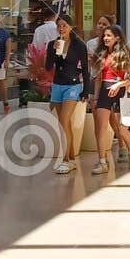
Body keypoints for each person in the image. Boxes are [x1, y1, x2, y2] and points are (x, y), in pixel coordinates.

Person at [45, 15, 93, 175]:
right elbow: (48, 67)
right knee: (64, 124)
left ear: (71, 27)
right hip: (57, 85)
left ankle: (65, 160)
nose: (61, 28)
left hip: (73, 86)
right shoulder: (53, 44)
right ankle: (71, 159)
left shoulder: (79, 45)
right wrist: (53, 51)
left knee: (64, 121)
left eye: (64, 25)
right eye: (59, 26)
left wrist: (86, 90)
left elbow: (85, 69)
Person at [92, 24, 130, 174]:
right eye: (104, 35)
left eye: (109, 35)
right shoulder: (102, 54)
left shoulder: (123, 55)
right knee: (101, 127)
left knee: (120, 128)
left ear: (117, 38)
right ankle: (102, 162)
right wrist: (96, 97)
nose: (105, 38)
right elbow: (98, 78)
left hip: (119, 91)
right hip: (104, 91)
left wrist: (119, 84)